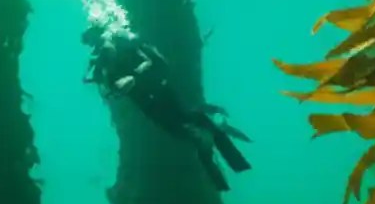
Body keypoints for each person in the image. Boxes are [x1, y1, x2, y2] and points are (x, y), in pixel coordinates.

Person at [82, 25, 251, 190]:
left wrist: (140, 69)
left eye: (96, 38)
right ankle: (225, 166)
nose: (98, 44)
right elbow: (98, 84)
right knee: (184, 127)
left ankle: (226, 161)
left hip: (156, 92)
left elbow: (155, 58)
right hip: (148, 99)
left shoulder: (123, 41)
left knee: (185, 124)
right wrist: (115, 86)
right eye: (93, 42)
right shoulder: (99, 60)